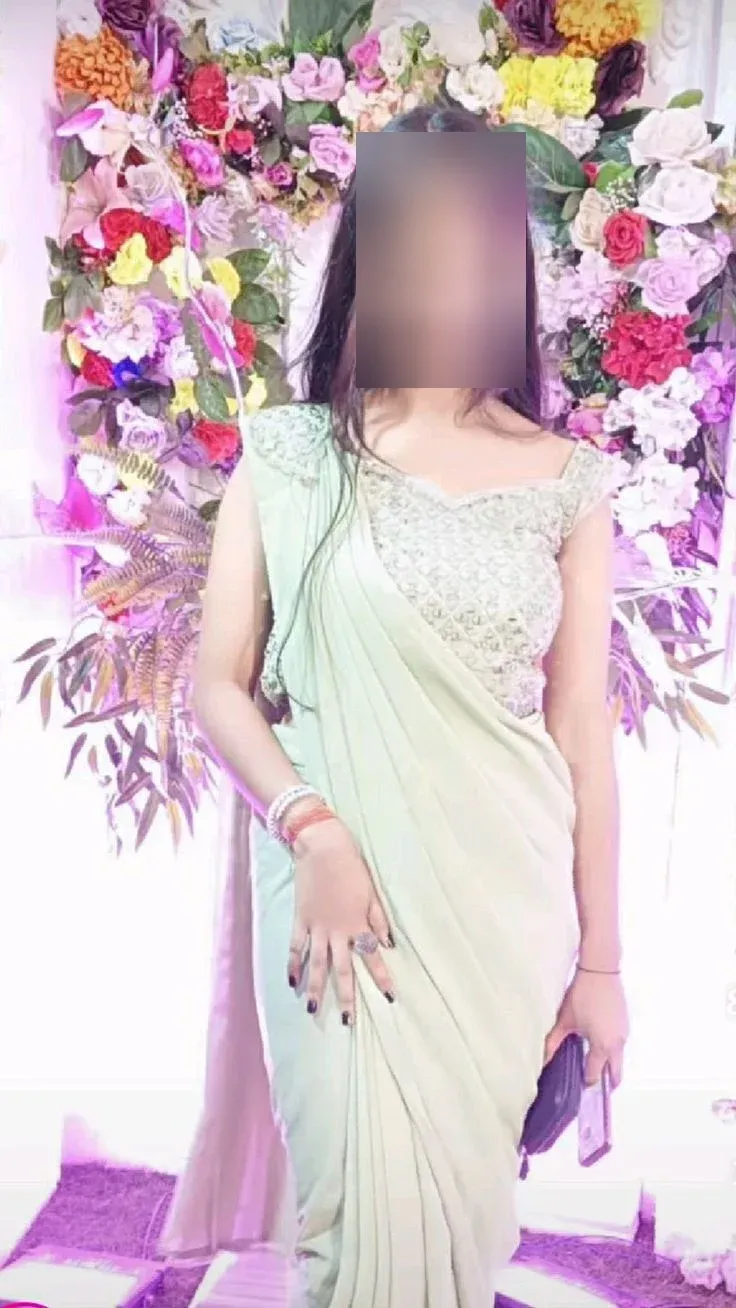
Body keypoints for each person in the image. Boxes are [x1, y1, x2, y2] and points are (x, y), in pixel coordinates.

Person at [164, 105, 629, 1306]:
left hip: (501, 907)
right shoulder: (289, 457)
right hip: (337, 902)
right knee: (343, 1224)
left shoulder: (567, 481)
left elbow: (580, 729)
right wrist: (311, 827)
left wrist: (601, 964)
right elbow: (217, 687)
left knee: (464, 1238)